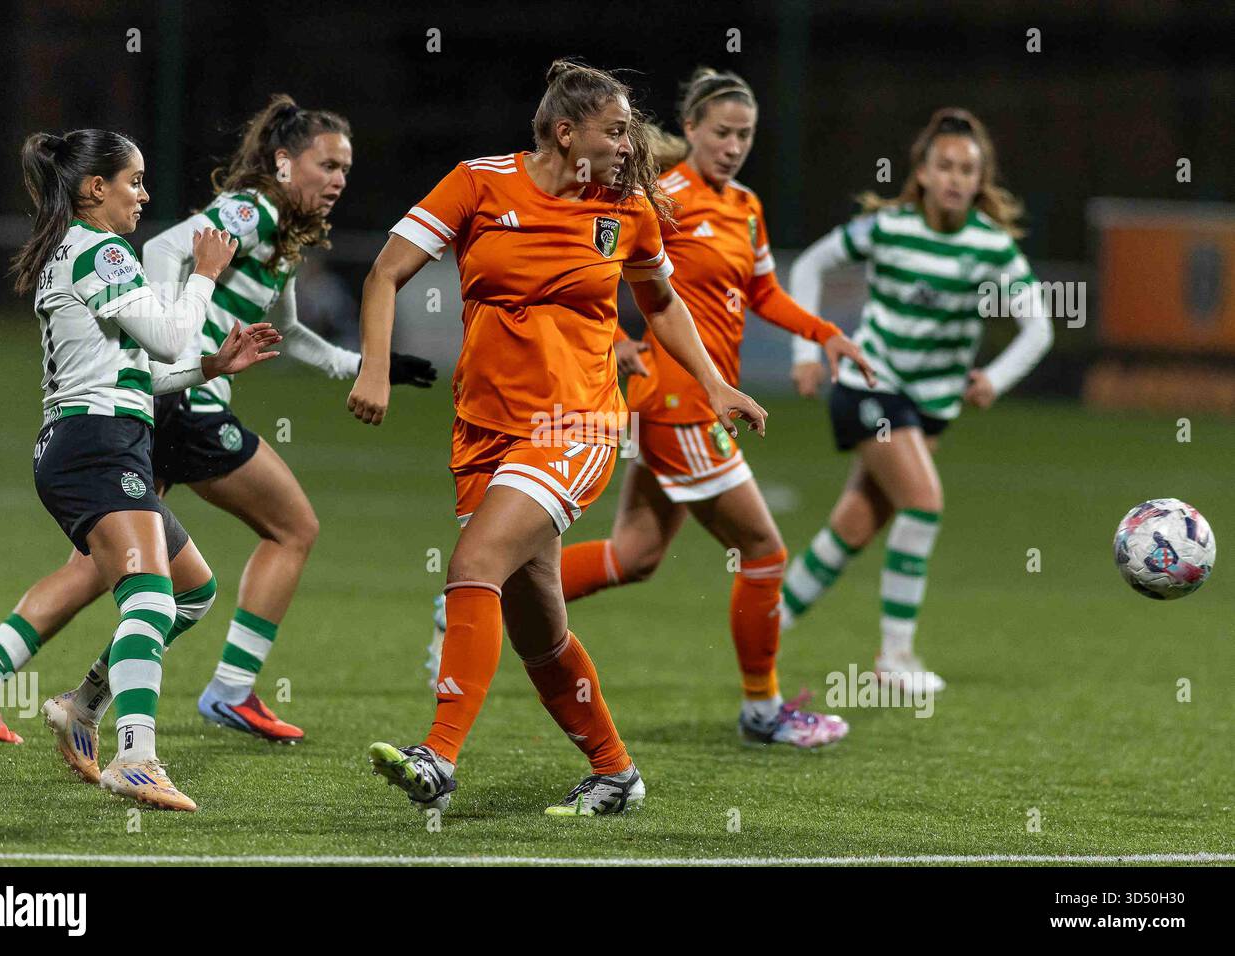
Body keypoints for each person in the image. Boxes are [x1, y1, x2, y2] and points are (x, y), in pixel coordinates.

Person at [0, 96, 436, 748]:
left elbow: (289, 334)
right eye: (328, 163)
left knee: (109, 567)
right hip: (180, 403)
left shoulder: (281, 237)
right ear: (285, 163)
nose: (340, 178)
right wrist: (172, 333)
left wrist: (373, 363)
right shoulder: (248, 211)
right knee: (290, 527)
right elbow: (170, 250)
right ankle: (209, 700)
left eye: (347, 167)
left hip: (162, 396)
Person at [348, 59, 766, 816]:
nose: (629, 144)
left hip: (577, 422)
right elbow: (384, 273)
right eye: (614, 130)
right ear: (566, 132)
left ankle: (437, 755)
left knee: (473, 562)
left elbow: (661, 301)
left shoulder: (625, 207)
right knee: (536, 625)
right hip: (482, 430)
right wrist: (373, 369)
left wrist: (713, 383)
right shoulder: (478, 183)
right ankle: (616, 772)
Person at [538, 67, 875, 748]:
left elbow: (764, 294)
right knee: (764, 551)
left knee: (635, 554)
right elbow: (592, 269)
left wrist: (826, 334)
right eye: (721, 131)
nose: (733, 145)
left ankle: (489, 591)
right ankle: (763, 711)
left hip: (691, 402)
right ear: (689, 129)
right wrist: (621, 341)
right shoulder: (663, 197)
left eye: (745, 134)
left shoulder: (746, 206)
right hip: (678, 403)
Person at [0, 127, 277, 810]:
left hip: (101, 439)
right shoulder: (103, 251)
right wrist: (206, 272)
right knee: (148, 595)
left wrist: (210, 367)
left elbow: (142, 368)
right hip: (95, 445)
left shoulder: (81, 251)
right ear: (95, 189)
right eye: (134, 181)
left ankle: (82, 705)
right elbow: (173, 330)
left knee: (190, 592)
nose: (144, 195)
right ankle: (137, 758)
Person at [782, 108, 1053, 693]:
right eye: (945, 166)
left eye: (968, 170)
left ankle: (766, 626)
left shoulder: (991, 247)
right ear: (923, 173)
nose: (956, 178)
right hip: (869, 388)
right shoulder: (888, 227)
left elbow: (1040, 326)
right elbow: (809, 265)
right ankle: (894, 659)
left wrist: (996, 378)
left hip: (930, 406)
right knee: (924, 502)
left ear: (980, 181)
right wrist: (805, 354)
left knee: (853, 525)